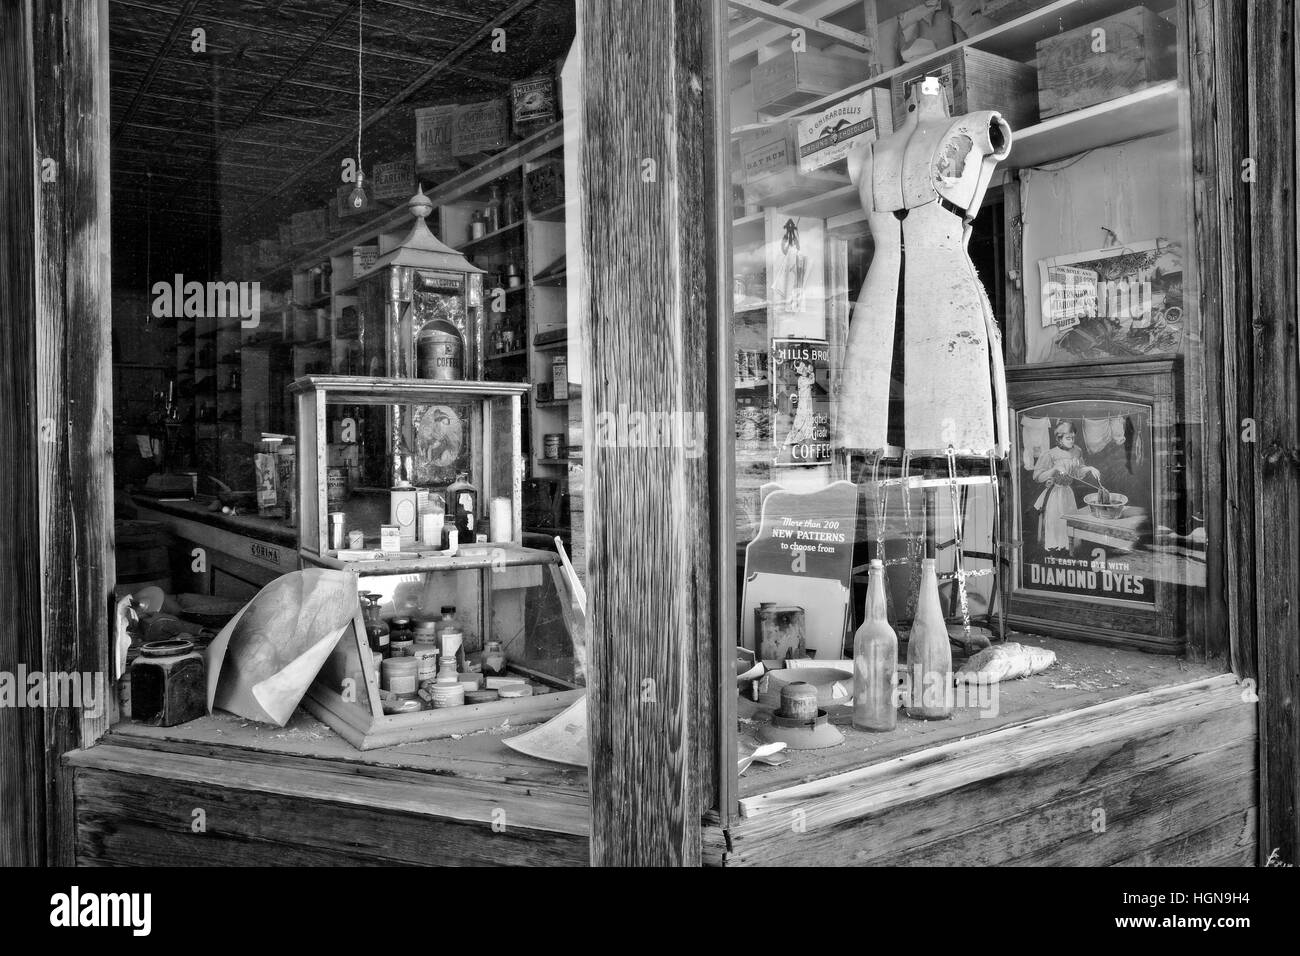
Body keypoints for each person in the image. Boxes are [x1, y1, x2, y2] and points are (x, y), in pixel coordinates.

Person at [1032, 420, 1101, 553]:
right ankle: (1054, 551)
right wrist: (1054, 469)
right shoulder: (1050, 454)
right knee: (1056, 522)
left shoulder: (1077, 451)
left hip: (1068, 493)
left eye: (1073, 438)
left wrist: (1089, 468)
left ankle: (1068, 550)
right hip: (1054, 493)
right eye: (1068, 438)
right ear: (1059, 439)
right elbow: (1038, 477)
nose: (1072, 441)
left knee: (1070, 522)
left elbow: (1078, 472)